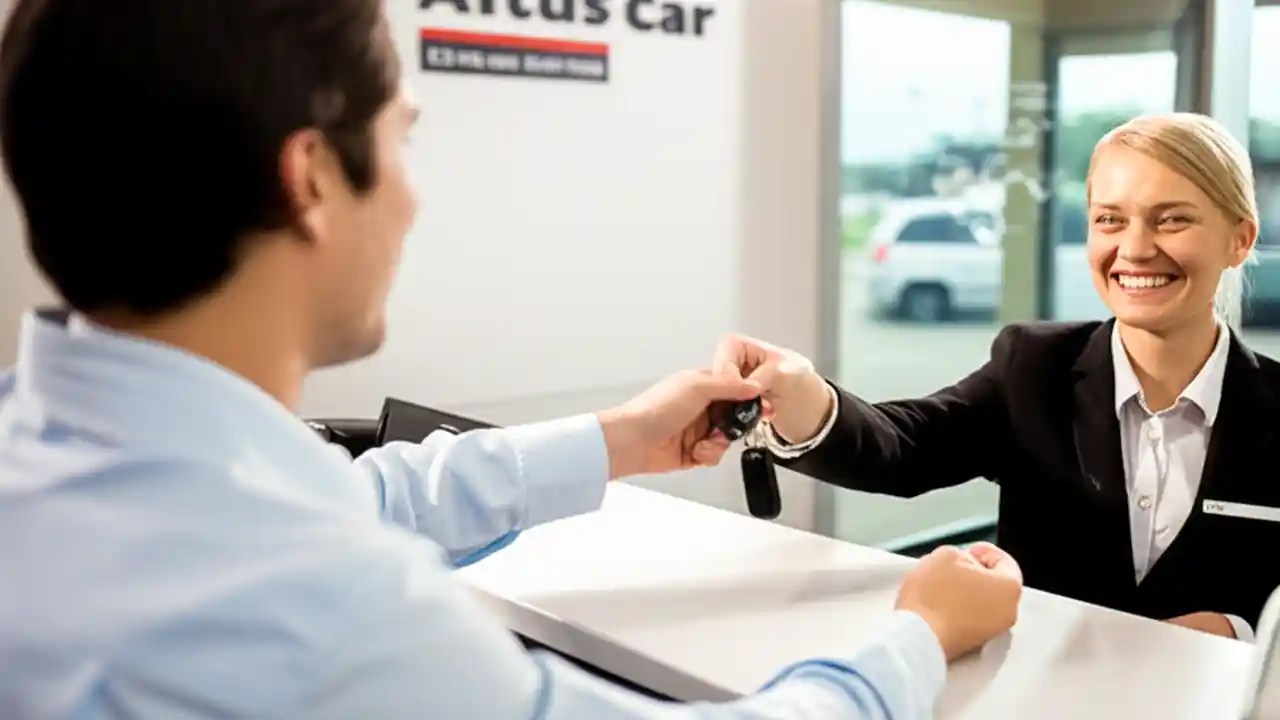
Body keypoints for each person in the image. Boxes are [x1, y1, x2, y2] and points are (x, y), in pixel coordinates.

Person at [0, 1, 1024, 717]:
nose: (412, 196)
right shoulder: (316, 612)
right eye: (402, 140)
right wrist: (916, 636)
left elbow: (364, 494)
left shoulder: (46, 449)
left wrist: (618, 440)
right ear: (310, 178)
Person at [714, 112, 1280, 641]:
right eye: (1109, 219)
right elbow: (903, 445)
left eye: (1172, 219)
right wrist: (800, 393)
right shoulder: (1034, 368)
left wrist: (1242, 629)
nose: (1133, 248)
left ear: (1240, 239)